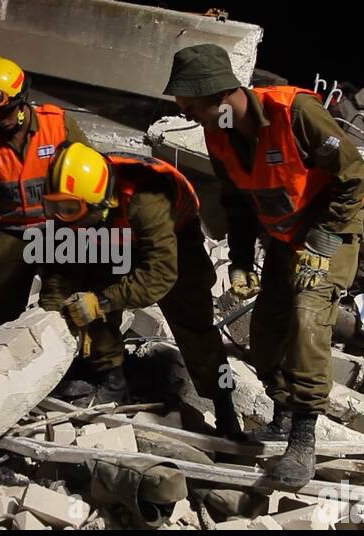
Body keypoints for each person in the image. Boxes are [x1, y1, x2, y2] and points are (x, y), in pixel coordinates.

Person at [164, 43, 364, 487]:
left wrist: (325, 238)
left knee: (306, 315)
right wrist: (239, 260)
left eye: (193, 106)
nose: (190, 116)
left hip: (330, 232)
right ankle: (281, 413)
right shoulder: (217, 133)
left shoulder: (295, 112)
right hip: (285, 239)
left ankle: (303, 437)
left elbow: (352, 176)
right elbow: (236, 202)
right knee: (266, 329)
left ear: (219, 93)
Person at [39, 142, 239, 433]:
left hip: (175, 242)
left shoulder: (148, 201)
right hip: (116, 231)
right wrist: (53, 314)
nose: (62, 216)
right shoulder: (72, 204)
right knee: (88, 292)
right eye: (57, 208)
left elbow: (159, 275)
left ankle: (225, 408)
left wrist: (103, 301)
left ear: (100, 204)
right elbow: (57, 265)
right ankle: (112, 378)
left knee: (195, 327)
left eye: (70, 210)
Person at [0, 55, 89, 328]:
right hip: (12, 231)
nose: (0, 120)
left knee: (58, 304)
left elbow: (92, 172)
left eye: (5, 111)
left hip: (60, 229)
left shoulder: (57, 125)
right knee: (1, 305)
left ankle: (67, 360)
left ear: (21, 100)